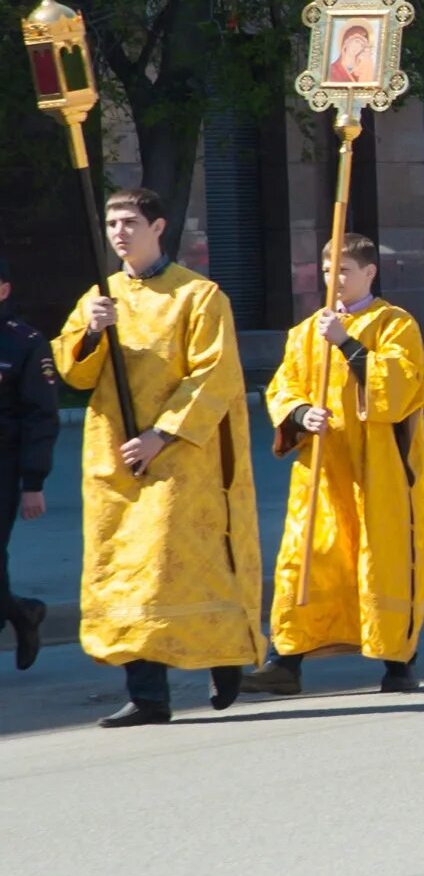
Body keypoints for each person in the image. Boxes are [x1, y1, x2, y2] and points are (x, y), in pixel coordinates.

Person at [55, 188, 260, 725]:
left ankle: (224, 655)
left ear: (158, 227)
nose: (119, 232)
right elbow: (74, 374)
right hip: (115, 456)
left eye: (130, 222)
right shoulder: (99, 296)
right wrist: (91, 332)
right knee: (128, 572)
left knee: (180, 566)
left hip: (180, 459)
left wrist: (161, 434)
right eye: (112, 223)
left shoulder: (198, 296)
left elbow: (214, 376)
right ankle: (147, 696)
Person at [240, 235, 424, 697]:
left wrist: (347, 343)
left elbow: (403, 386)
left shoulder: (394, 323)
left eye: (344, 270)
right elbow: (283, 387)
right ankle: (285, 660)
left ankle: (398, 662)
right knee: (307, 558)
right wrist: (301, 413)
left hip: (379, 469)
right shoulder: (306, 332)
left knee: (383, 559)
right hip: (324, 471)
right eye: (328, 270)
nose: (334, 279)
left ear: (370, 273)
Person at [0, 258, 59, 670]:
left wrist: (33, 482)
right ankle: (22, 613)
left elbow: (41, 416)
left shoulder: (24, 342)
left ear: (3, 289)